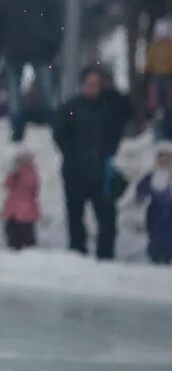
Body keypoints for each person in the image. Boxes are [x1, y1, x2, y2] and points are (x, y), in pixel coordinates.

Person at [54, 65, 132, 259]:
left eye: (96, 84)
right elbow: (59, 132)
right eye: (88, 84)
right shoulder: (71, 107)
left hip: (100, 171)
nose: (92, 88)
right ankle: (77, 252)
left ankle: (105, 256)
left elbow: (128, 112)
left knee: (106, 218)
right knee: (75, 215)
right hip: (75, 171)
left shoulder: (109, 106)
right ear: (82, 86)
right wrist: (70, 155)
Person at [0, 0, 62, 142]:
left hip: (39, 47)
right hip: (15, 47)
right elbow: (1, 23)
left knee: (45, 88)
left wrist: (52, 42)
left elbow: (54, 19)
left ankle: (52, 123)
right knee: (14, 90)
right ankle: (17, 125)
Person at [136, 143, 172, 264]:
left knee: (168, 235)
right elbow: (142, 189)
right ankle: (154, 255)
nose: (164, 161)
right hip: (155, 211)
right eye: (161, 158)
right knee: (155, 234)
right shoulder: (151, 175)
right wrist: (141, 195)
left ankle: (167, 256)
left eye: (167, 158)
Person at [1, 146, 40, 250]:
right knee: (11, 230)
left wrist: (21, 172)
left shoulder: (31, 171)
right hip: (12, 209)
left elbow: (30, 185)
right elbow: (7, 185)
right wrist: (13, 173)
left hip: (26, 208)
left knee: (26, 231)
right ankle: (13, 246)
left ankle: (29, 249)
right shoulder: (14, 172)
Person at [145, 18, 172, 141]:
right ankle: (156, 113)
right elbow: (149, 61)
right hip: (156, 76)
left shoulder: (170, 46)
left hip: (168, 76)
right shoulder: (154, 47)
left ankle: (167, 111)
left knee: (168, 97)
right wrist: (147, 70)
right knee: (155, 97)